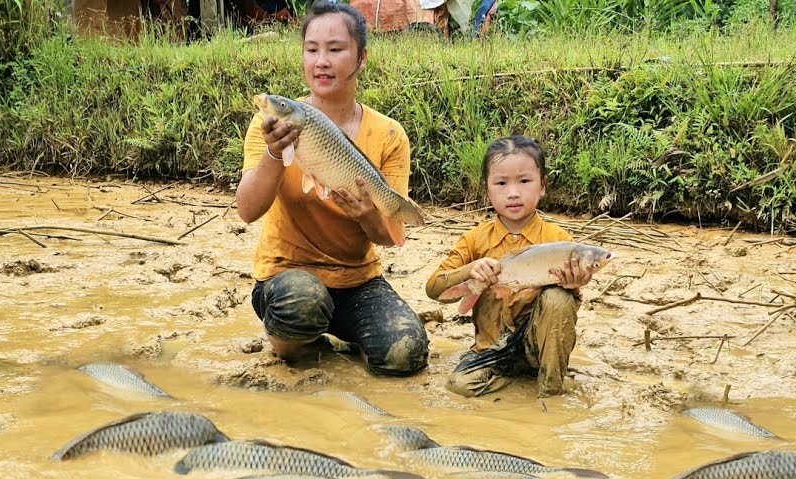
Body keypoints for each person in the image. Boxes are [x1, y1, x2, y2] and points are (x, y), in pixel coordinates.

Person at [235, 0, 429, 376]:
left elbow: (388, 238)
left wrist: (369, 216)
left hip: (356, 280)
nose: (321, 61)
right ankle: (294, 340)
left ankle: (339, 334)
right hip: (286, 277)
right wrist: (276, 154)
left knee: (405, 353)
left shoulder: (389, 135)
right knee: (301, 304)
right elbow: (247, 210)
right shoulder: (272, 127)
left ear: (361, 58)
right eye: (312, 50)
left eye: (336, 49)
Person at [424, 136, 595, 397]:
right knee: (459, 385)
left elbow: (566, 310)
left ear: (543, 187)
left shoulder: (560, 241)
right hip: (491, 350)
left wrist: (573, 286)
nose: (513, 193)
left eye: (524, 181)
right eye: (501, 183)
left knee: (559, 298)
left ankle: (551, 387)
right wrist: (470, 269)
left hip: (537, 348)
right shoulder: (474, 239)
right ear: (488, 189)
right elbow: (434, 289)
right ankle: (516, 388)